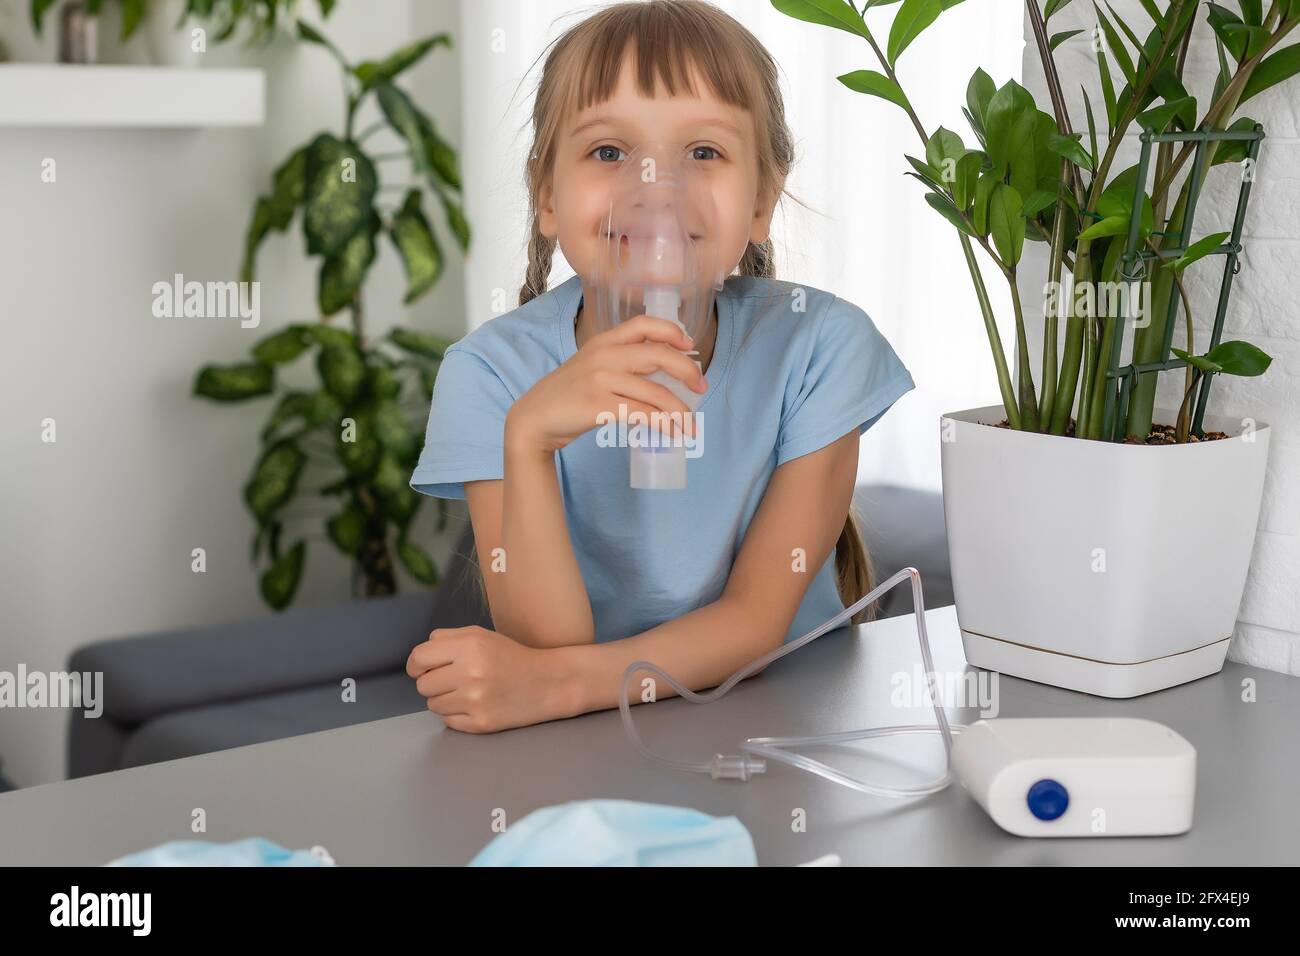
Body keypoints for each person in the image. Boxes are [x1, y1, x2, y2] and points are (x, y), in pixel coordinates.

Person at [405, 0, 914, 733]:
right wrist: (529, 438)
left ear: (763, 200)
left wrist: (555, 685)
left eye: (703, 152)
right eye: (609, 152)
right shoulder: (490, 375)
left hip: (793, 725)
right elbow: (544, 650)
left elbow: (751, 625)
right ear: (547, 195)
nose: (654, 187)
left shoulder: (819, 346)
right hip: (594, 739)